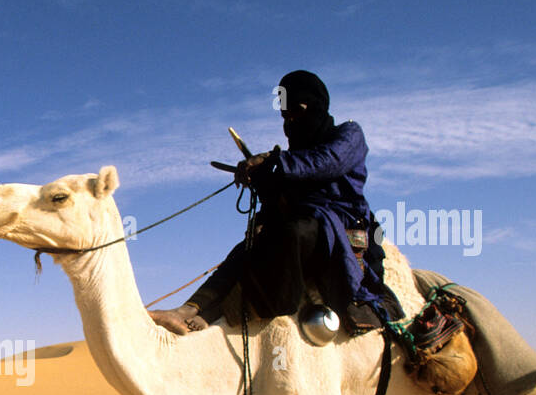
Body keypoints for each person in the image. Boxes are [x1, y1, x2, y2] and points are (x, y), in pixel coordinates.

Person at [151, 70, 401, 336]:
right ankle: (190, 309)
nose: (291, 119)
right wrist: (261, 181)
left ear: (317, 105)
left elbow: (324, 162)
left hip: (340, 227)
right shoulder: (293, 158)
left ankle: (239, 310)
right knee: (248, 247)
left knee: (295, 231)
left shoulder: (349, 135)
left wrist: (271, 161)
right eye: (285, 115)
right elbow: (288, 193)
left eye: (297, 110)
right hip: (306, 223)